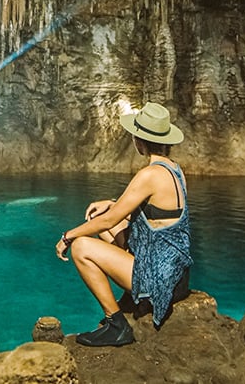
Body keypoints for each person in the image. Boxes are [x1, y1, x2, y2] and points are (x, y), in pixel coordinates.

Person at [54, 101, 192, 347]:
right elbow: (154, 213)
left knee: (82, 247)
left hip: (160, 279)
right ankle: (130, 298)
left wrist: (68, 236)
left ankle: (116, 324)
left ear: (139, 141)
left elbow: (112, 218)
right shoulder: (173, 169)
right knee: (99, 220)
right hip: (176, 271)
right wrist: (111, 202)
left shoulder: (148, 175)